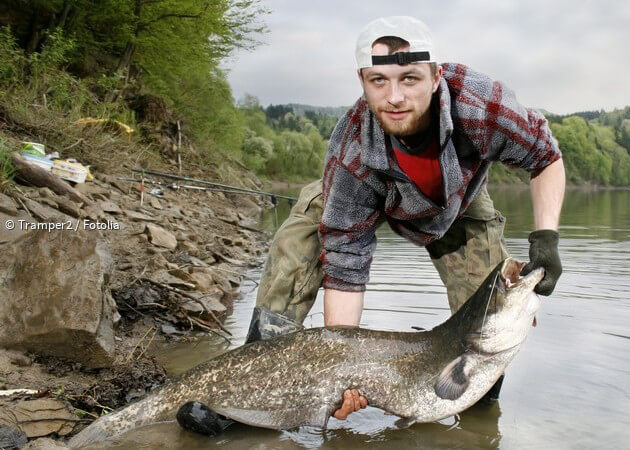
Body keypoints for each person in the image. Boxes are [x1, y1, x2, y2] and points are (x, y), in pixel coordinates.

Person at [179, 16, 565, 433]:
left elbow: (545, 157)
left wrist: (546, 237)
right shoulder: (351, 150)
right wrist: (338, 375)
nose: (394, 96)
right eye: (378, 80)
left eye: (409, 78)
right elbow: (345, 262)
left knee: (490, 312)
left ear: (436, 77)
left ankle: (478, 405)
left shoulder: (482, 106)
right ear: (362, 80)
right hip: (367, 197)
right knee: (303, 235)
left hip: (458, 206)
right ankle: (249, 387)